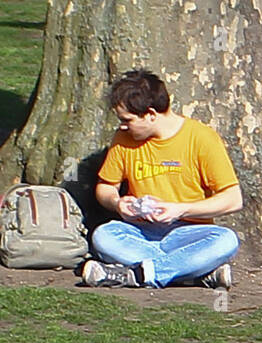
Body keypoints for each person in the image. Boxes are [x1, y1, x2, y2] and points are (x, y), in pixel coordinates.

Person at [80, 70, 241, 288]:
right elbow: (106, 187)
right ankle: (193, 272)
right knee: (103, 236)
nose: (122, 126)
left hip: (188, 232)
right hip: (140, 232)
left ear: (151, 114)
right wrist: (117, 203)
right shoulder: (123, 140)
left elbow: (233, 199)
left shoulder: (201, 138)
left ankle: (136, 275)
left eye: (127, 120)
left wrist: (180, 210)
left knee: (226, 241)